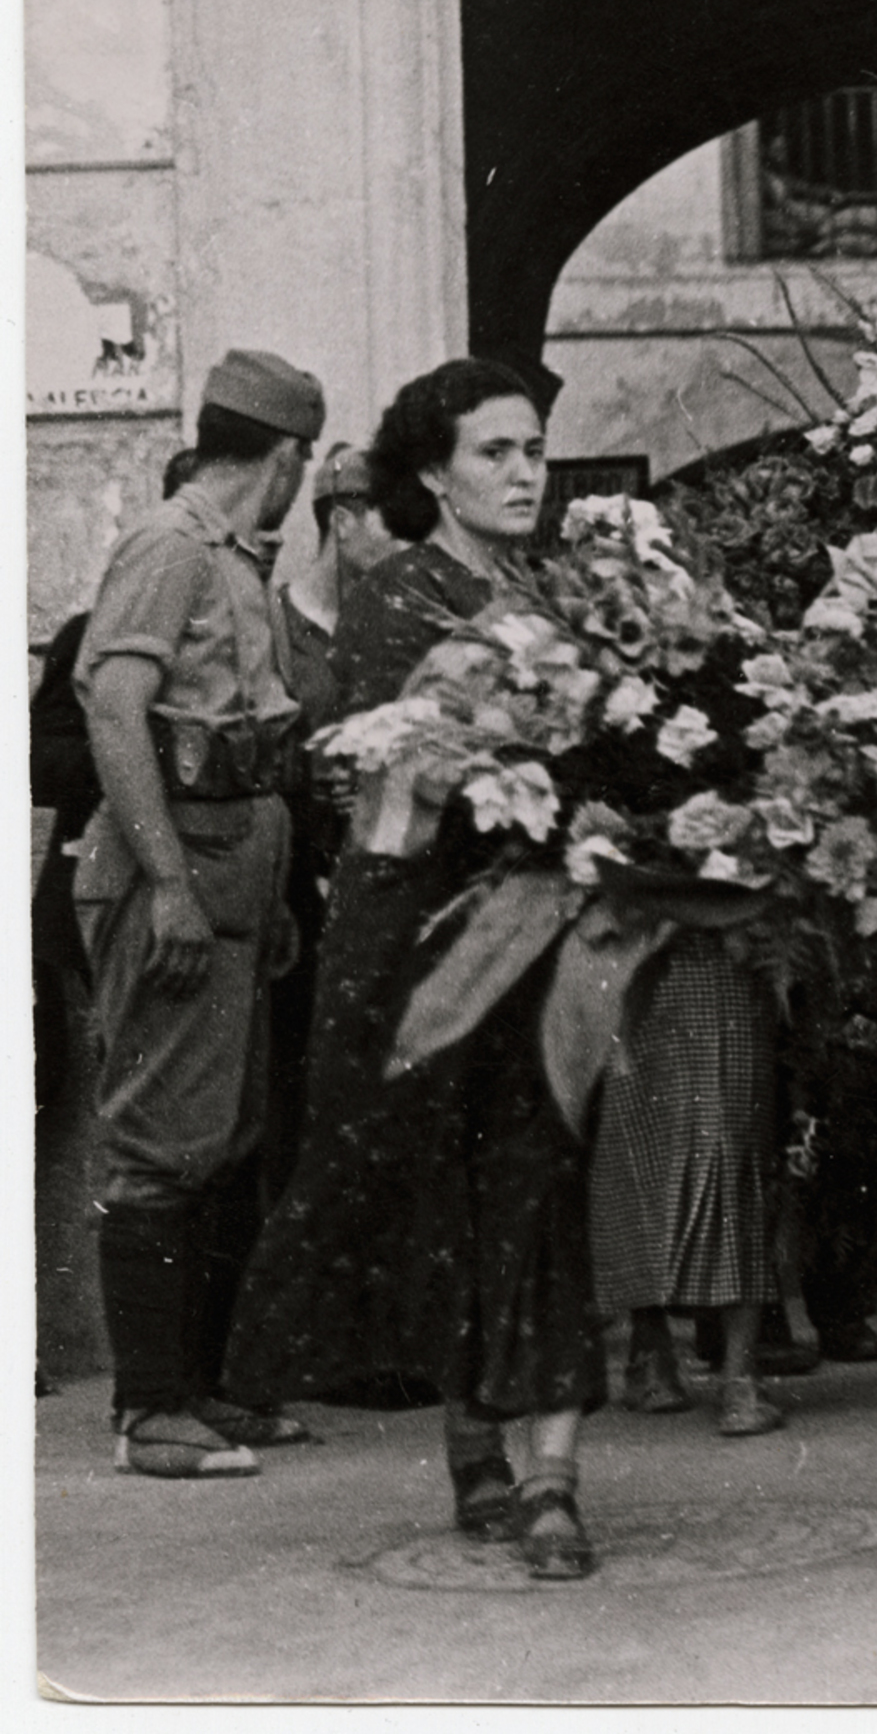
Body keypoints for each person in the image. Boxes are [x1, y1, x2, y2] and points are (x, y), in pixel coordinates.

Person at [225, 359, 609, 1579]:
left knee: (545, 1182)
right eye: (496, 452)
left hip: (560, 938)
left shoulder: (577, 593)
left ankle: (551, 1476)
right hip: (446, 948)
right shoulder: (403, 601)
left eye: (535, 448)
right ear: (434, 472)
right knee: (461, 1197)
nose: (525, 471)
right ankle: (474, 1441)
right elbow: (406, 779)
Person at [74, 351, 325, 1477]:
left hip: (231, 887)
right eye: (302, 463)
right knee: (159, 1143)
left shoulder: (234, 561)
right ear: (282, 459)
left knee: (221, 1141)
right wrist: (171, 882)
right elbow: (116, 713)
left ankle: (207, 1390)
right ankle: (151, 1409)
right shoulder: (169, 549)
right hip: (174, 885)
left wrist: (259, 897)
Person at [261, 446, 392, 1206]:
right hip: (298, 905)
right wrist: (311, 781)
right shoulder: (275, 629)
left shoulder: (390, 625)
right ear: (344, 522)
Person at [594, 931, 789, 1436]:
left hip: (709, 956)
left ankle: (733, 1373)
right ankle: (659, 1355)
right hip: (638, 957)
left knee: (725, 1147)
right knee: (639, 1146)